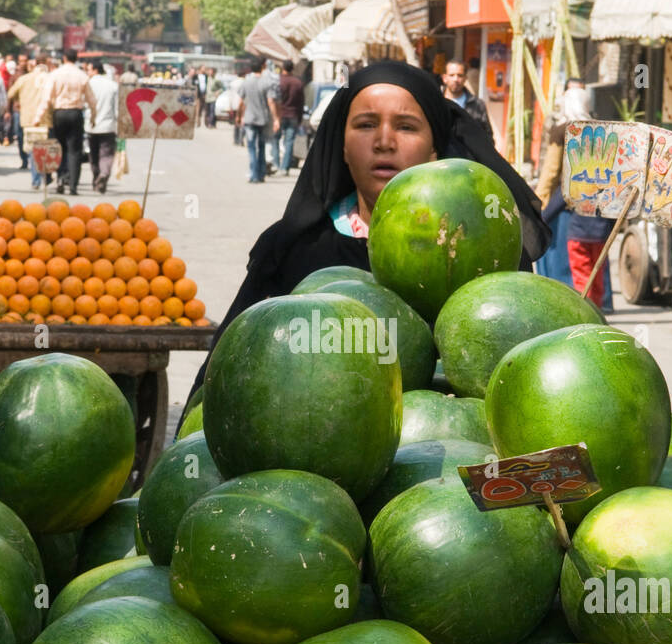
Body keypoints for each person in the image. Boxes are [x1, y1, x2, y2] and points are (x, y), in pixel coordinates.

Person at [193, 61, 552, 395]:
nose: (384, 141)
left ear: (434, 151)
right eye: (365, 125)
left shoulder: (487, 254)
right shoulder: (291, 249)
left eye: (406, 127)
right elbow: (226, 371)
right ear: (343, 145)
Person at [534, 85, 615, 310]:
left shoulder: (563, 131)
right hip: (595, 208)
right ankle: (600, 303)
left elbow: (551, 173)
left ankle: (572, 305)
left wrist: (540, 205)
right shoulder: (602, 132)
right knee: (596, 260)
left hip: (566, 205)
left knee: (571, 262)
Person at [34, 49, 95, 195]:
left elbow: (46, 98)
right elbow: (91, 99)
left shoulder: (55, 74)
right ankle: (73, 185)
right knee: (75, 151)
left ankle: (60, 179)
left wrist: (38, 117)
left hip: (59, 113)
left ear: (64, 58)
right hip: (75, 113)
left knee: (59, 149)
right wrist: (94, 117)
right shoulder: (82, 75)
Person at [9, 61, 51, 189]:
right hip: (45, 120)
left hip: (28, 119)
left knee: (33, 150)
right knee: (45, 149)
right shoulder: (50, 79)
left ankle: (36, 179)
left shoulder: (24, 79)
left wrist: (19, 100)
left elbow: (10, 94)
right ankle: (46, 174)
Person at [237, 56, 279, 183]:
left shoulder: (246, 82)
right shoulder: (267, 83)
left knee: (251, 147)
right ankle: (260, 174)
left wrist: (239, 116)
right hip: (263, 120)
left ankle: (254, 174)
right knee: (261, 146)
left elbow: (241, 102)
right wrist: (276, 119)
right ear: (263, 67)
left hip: (249, 119)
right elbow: (271, 102)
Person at [84, 60, 117, 194]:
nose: (87, 72)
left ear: (95, 70)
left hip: (91, 126)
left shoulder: (88, 84)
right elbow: (117, 109)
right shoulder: (113, 86)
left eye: (89, 69)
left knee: (94, 155)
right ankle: (104, 174)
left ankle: (96, 177)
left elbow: (84, 105)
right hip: (108, 126)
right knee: (107, 154)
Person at [442, 60, 492, 137]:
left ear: (465, 78)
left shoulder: (477, 105)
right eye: (452, 75)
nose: (456, 79)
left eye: (460, 75)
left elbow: (487, 135)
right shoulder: (436, 102)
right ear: (445, 78)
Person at [273, 60, 304, 176]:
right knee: (289, 142)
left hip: (279, 115)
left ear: (282, 68)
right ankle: (285, 168)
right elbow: (301, 103)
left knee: (275, 139)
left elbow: (273, 99)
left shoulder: (278, 81)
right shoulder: (298, 83)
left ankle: (276, 164)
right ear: (293, 68)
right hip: (293, 115)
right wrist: (300, 118)